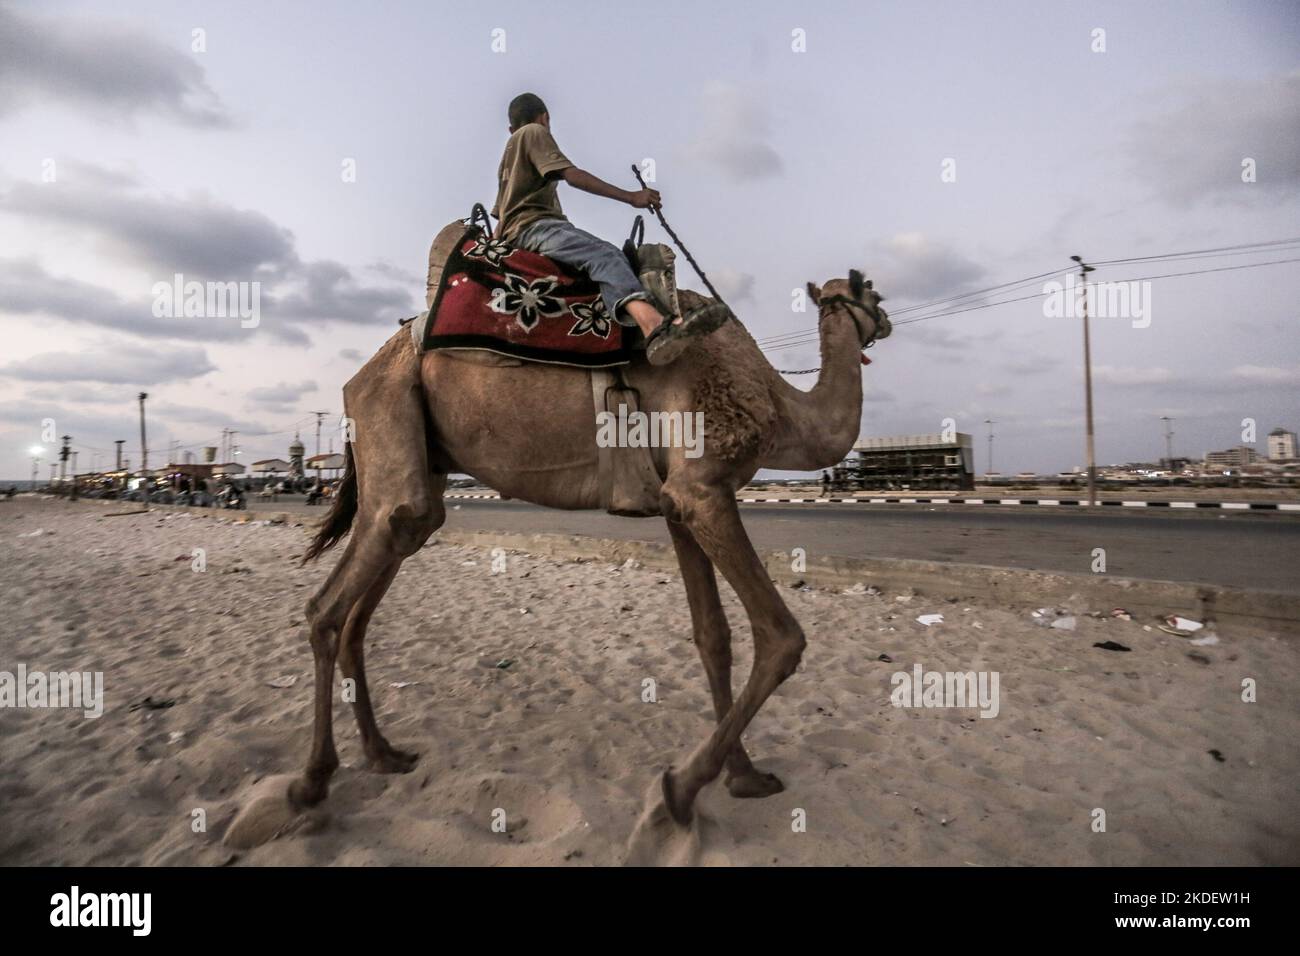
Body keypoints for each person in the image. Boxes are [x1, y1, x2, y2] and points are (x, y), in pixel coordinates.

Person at [489, 92, 731, 365]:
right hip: (536, 228)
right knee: (606, 256)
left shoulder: (508, 156)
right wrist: (631, 197)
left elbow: (501, 219)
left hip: (520, 232)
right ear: (545, 118)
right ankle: (653, 326)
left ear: (510, 128)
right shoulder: (534, 132)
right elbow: (572, 176)